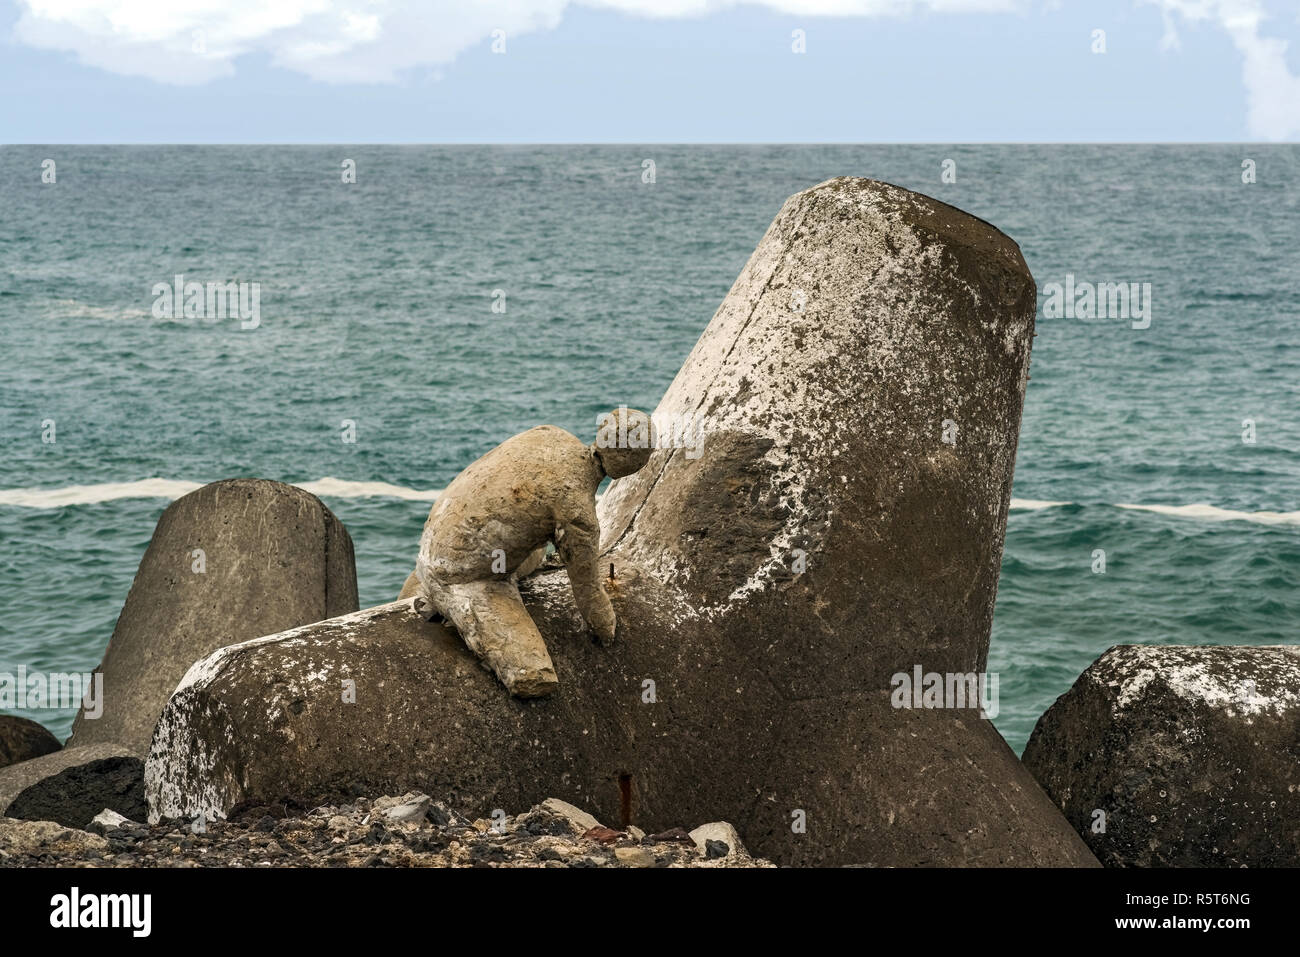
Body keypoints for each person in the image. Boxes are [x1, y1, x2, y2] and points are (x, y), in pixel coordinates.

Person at [402, 407, 656, 697]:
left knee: (534, 548)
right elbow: (588, 595)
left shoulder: (550, 434)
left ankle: (431, 580)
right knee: (533, 676)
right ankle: (444, 593)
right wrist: (609, 630)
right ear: (633, 464)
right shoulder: (578, 516)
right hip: (461, 576)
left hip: (437, 539)